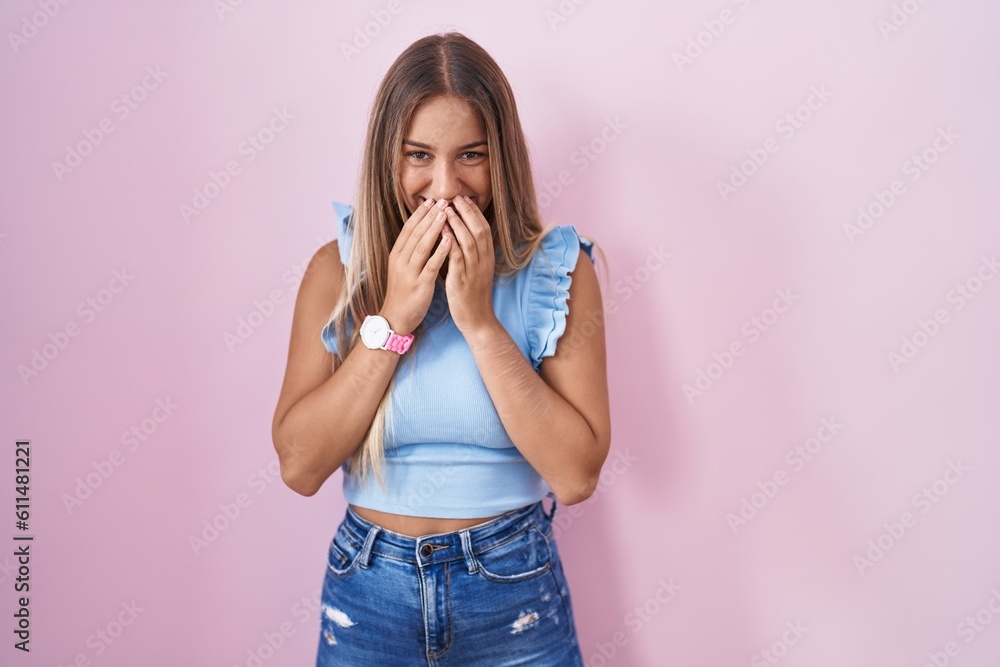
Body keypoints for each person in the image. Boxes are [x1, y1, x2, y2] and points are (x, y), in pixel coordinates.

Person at [272, 30, 611, 666]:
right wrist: (395, 314)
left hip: (513, 590)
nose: (446, 186)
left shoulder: (560, 270)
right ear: (387, 159)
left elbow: (576, 474)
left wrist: (480, 323)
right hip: (368, 590)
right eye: (419, 155)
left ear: (502, 156)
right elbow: (299, 465)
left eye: (472, 155)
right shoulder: (336, 272)